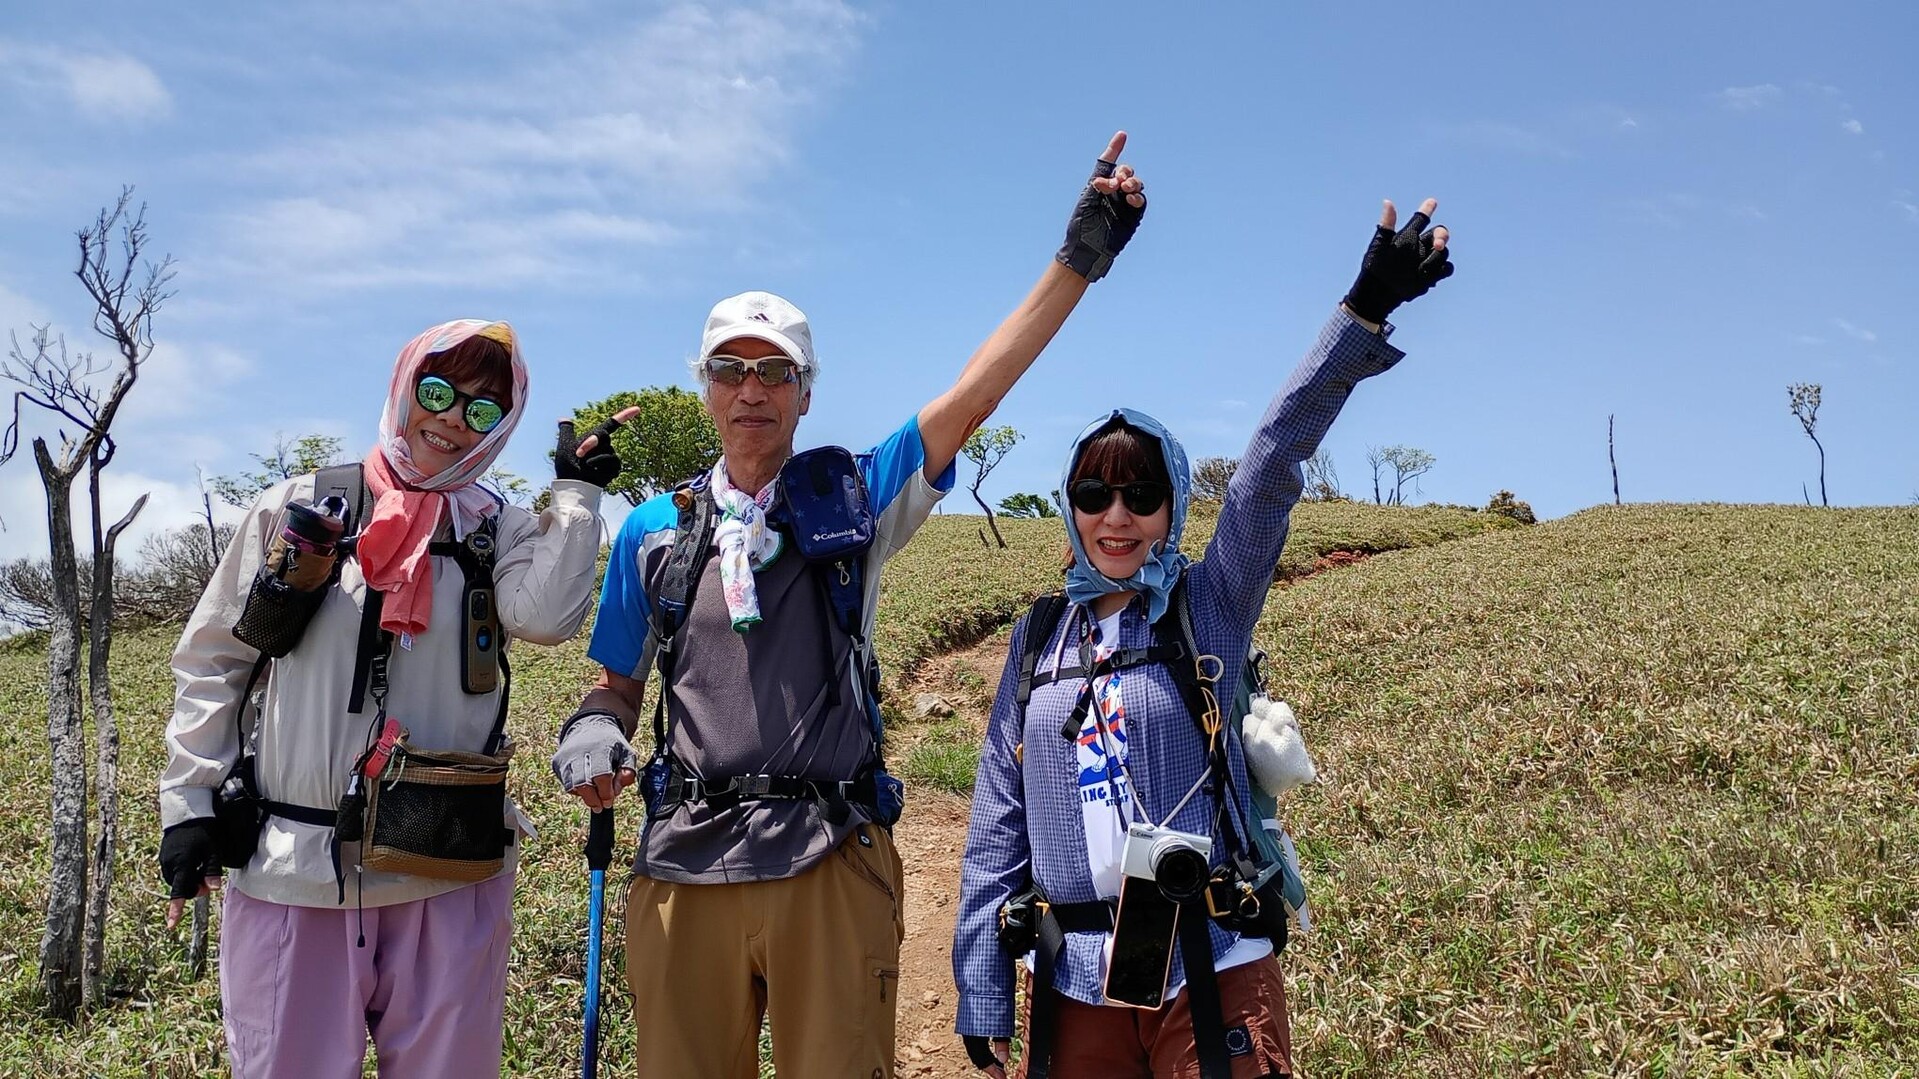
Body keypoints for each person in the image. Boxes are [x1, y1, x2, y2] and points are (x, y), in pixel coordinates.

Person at [550, 132, 1150, 1078]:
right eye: (730, 369)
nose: (751, 389)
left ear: (803, 390)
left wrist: (1079, 258)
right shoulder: (652, 533)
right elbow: (616, 683)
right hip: (680, 866)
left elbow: (972, 396)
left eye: (774, 371)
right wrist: (593, 727)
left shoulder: (852, 499)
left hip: (828, 853)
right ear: (703, 387)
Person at [953, 199, 1458, 1079]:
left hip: (1211, 962)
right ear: (1069, 504)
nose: (1116, 517)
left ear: (1173, 504)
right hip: (1072, 980)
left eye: (1141, 495)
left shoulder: (1207, 602)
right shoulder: (1039, 635)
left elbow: (1268, 467)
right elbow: (998, 814)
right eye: (1093, 493)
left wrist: (1361, 309)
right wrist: (982, 986)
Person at [157, 319, 634, 1078]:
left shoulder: (495, 526)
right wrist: (190, 805)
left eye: (482, 408)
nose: (451, 419)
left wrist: (576, 496)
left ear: (501, 425)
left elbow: (543, 617)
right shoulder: (299, 510)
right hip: (296, 869)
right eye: (438, 391)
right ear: (404, 385)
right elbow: (216, 661)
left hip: (446, 871)